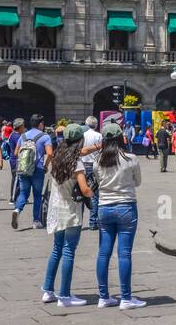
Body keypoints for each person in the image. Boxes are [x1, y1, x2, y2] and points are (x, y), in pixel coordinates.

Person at [42, 123, 95, 307]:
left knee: (56, 249)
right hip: (71, 211)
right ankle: (64, 295)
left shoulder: (58, 157)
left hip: (56, 209)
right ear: (79, 140)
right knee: (69, 251)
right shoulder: (77, 163)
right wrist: (93, 190)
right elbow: (85, 189)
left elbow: (84, 151)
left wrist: (97, 146)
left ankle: (48, 290)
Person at [93, 122, 145, 309]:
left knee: (103, 253)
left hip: (104, 208)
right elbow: (137, 182)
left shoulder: (98, 160)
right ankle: (126, 298)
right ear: (120, 138)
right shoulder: (130, 158)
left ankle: (103, 296)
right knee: (124, 253)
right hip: (126, 207)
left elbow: (98, 182)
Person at [12, 114, 52, 230]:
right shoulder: (45, 136)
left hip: (23, 168)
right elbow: (49, 153)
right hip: (37, 169)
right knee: (37, 195)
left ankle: (17, 210)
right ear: (40, 124)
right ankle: (36, 221)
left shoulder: (23, 136)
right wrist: (45, 165)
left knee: (23, 193)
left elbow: (16, 153)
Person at [81, 116, 102, 230]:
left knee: (81, 193)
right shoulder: (98, 136)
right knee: (94, 195)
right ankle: (93, 222)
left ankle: (79, 221)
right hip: (94, 165)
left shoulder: (83, 135)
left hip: (83, 165)